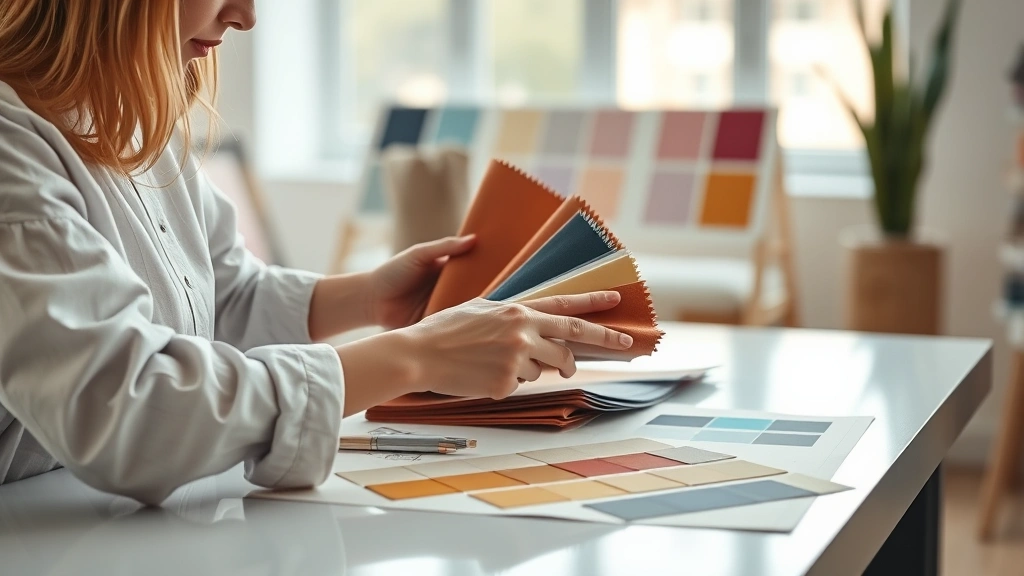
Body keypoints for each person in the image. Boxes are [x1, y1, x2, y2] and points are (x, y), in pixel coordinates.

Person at [0, 0, 633, 505]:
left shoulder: (128, 117)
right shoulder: (13, 154)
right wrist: (414, 357)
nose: (247, 15)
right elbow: (133, 413)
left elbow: (216, 298)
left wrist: (366, 299)